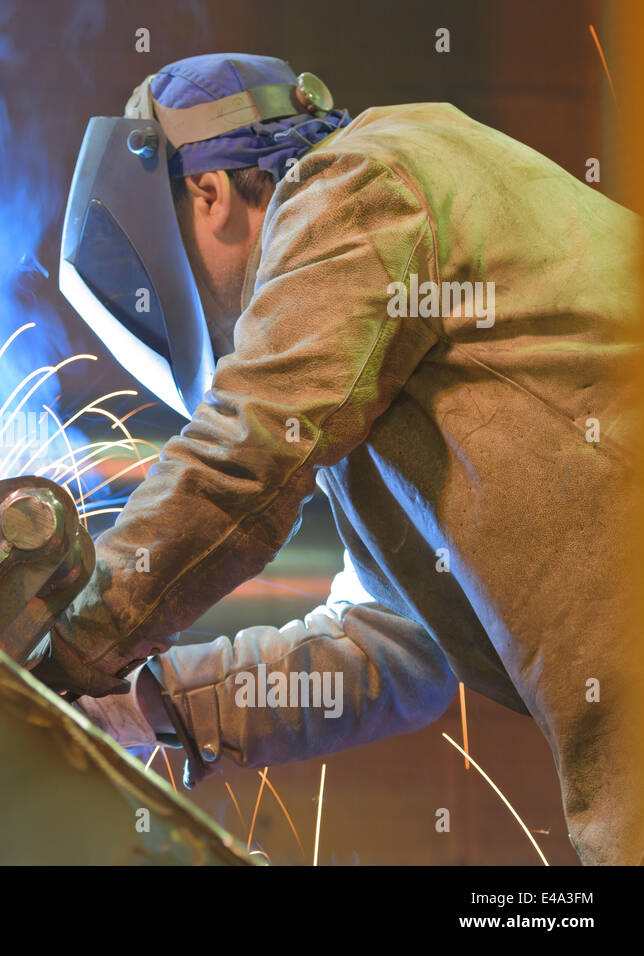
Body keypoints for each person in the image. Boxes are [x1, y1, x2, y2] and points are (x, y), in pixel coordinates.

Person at [46, 53, 644, 865]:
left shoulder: (359, 185)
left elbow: (243, 455)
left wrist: (58, 649)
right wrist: (145, 704)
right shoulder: (376, 331)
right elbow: (395, 639)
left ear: (210, 195)